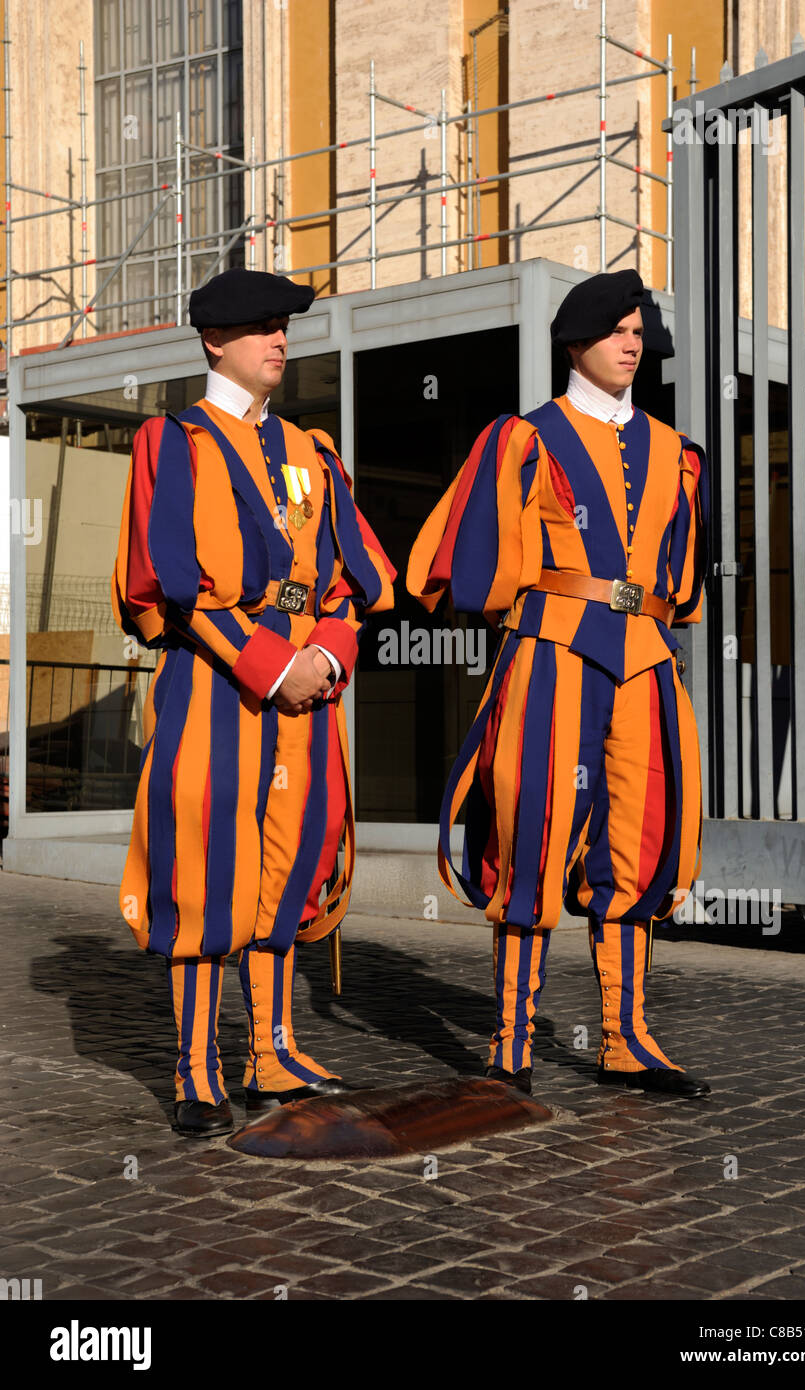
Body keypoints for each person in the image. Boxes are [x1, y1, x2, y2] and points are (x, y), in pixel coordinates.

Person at [407, 268, 710, 1097]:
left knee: (642, 835)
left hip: (644, 655)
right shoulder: (524, 438)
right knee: (530, 827)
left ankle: (624, 1037)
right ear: (574, 342)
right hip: (550, 650)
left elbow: (681, 584)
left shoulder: (675, 452)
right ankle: (510, 1040)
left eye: (637, 331)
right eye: (614, 330)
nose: (629, 343)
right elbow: (464, 568)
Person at [112, 267, 395, 1135]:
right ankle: (197, 1068)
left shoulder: (313, 450)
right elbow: (179, 586)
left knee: (287, 864)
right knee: (205, 872)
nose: (280, 340)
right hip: (218, 688)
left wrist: (328, 657)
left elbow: (354, 583)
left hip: (305, 696)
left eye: (283, 327)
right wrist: (277, 666)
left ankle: (270, 1053)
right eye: (262, 326)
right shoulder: (175, 442)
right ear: (213, 341)